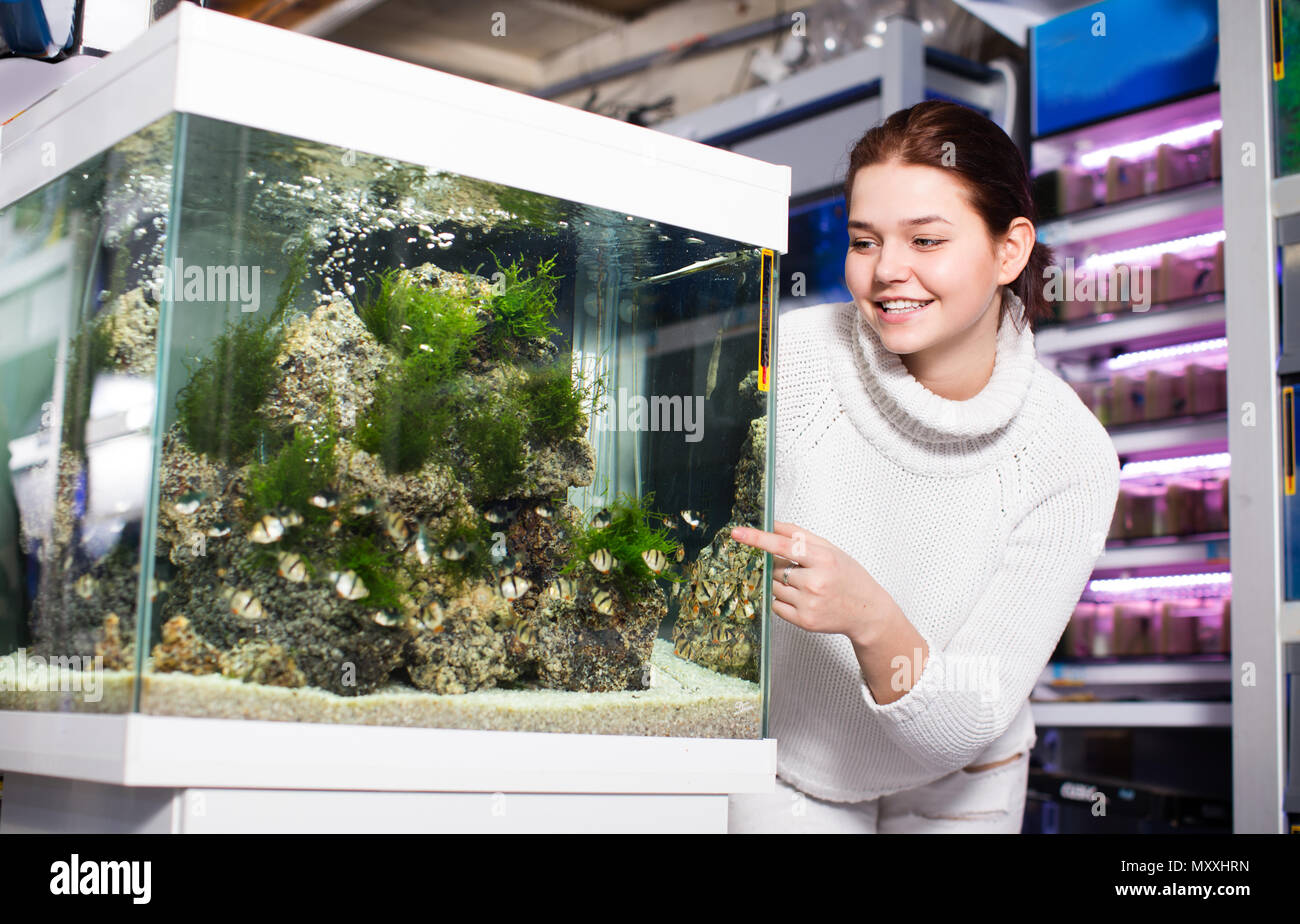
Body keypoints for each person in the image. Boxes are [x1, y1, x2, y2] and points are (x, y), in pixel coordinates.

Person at [728, 99, 1120, 833]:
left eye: (927, 240)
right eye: (865, 241)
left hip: (963, 775)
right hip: (789, 752)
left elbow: (964, 719)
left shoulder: (1071, 456)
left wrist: (868, 616)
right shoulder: (794, 358)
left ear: (1010, 251)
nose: (887, 273)